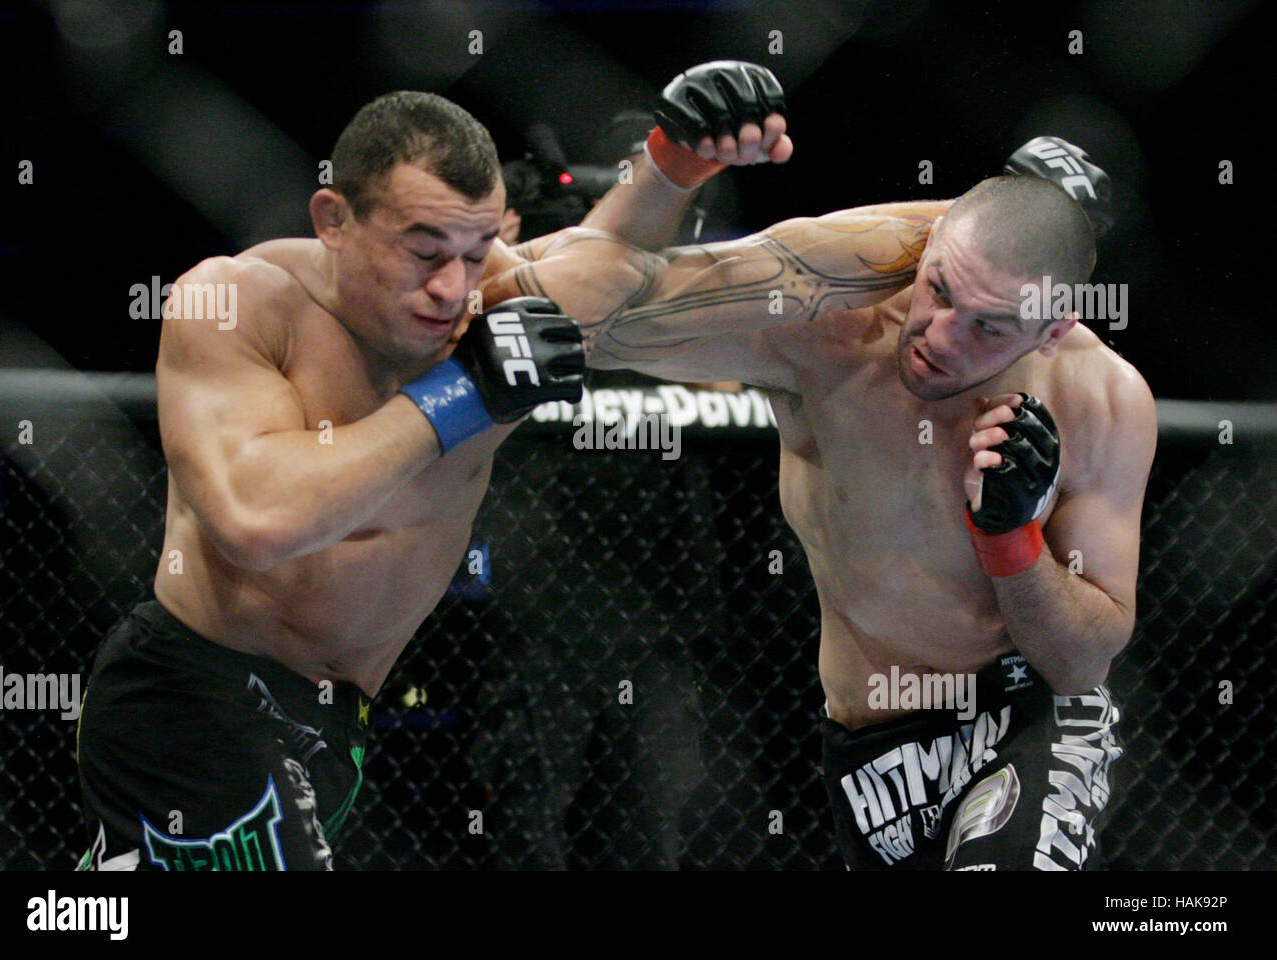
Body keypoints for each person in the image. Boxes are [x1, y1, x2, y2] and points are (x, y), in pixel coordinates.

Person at [75, 65, 793, 870]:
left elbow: (612, 257)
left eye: (476, 249)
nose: (451, 288)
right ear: (334, 219)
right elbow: (256, 519)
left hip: (332, 720)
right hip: (196, 694)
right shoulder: (241, 302)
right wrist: (460, 394)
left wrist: (673, 164)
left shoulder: (490, 302)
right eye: (423, 253)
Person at [484, 130, 1155, 870]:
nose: (941, 335)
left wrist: (1012, 537)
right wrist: (670, 162)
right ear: (929, 244)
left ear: (1054, 329)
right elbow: (601, 301)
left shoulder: (1101, 399)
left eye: (989, 327)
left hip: (1023, 715)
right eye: (939, 291)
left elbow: (1080, 663)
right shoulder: (825, 324)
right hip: (869, 753)